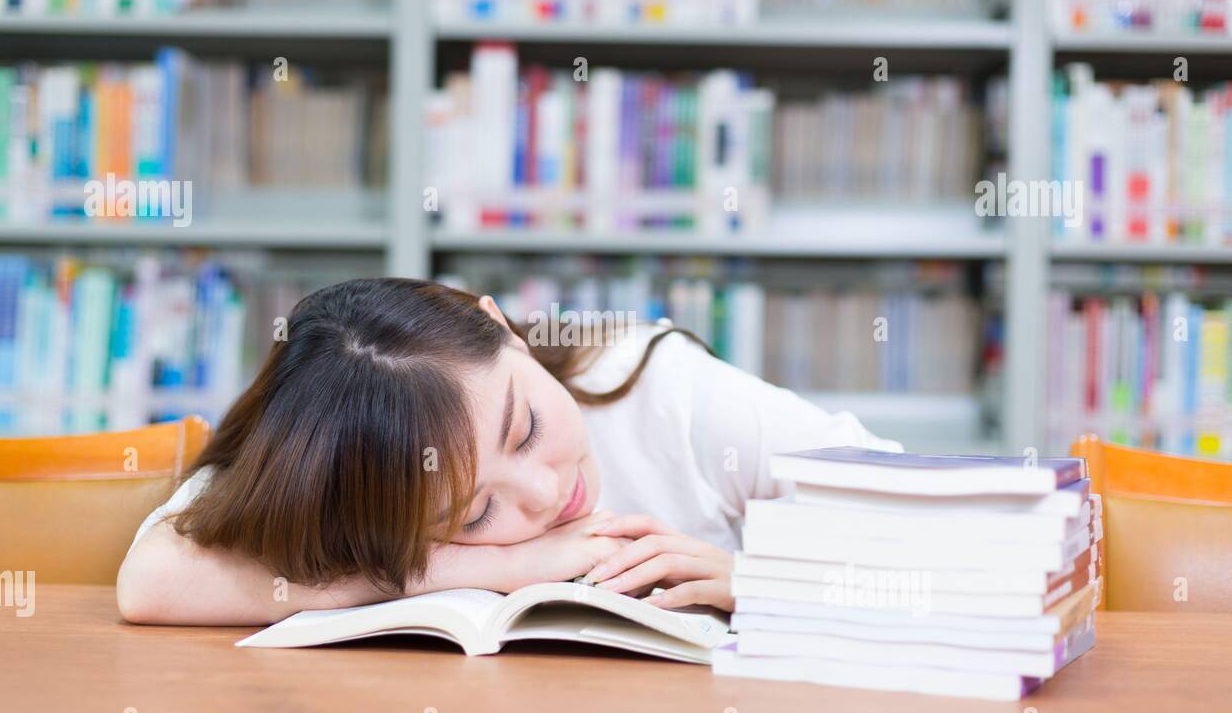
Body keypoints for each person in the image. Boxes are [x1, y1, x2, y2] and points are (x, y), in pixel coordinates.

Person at [116, 277, 900, 625]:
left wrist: (759, 581)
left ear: (504, 327)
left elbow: (947, 528)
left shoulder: (662, 390)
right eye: (476, 511)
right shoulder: (350, 467)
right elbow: (151, 585)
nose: (542, 493)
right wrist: (501, 567)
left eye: (523, 428)